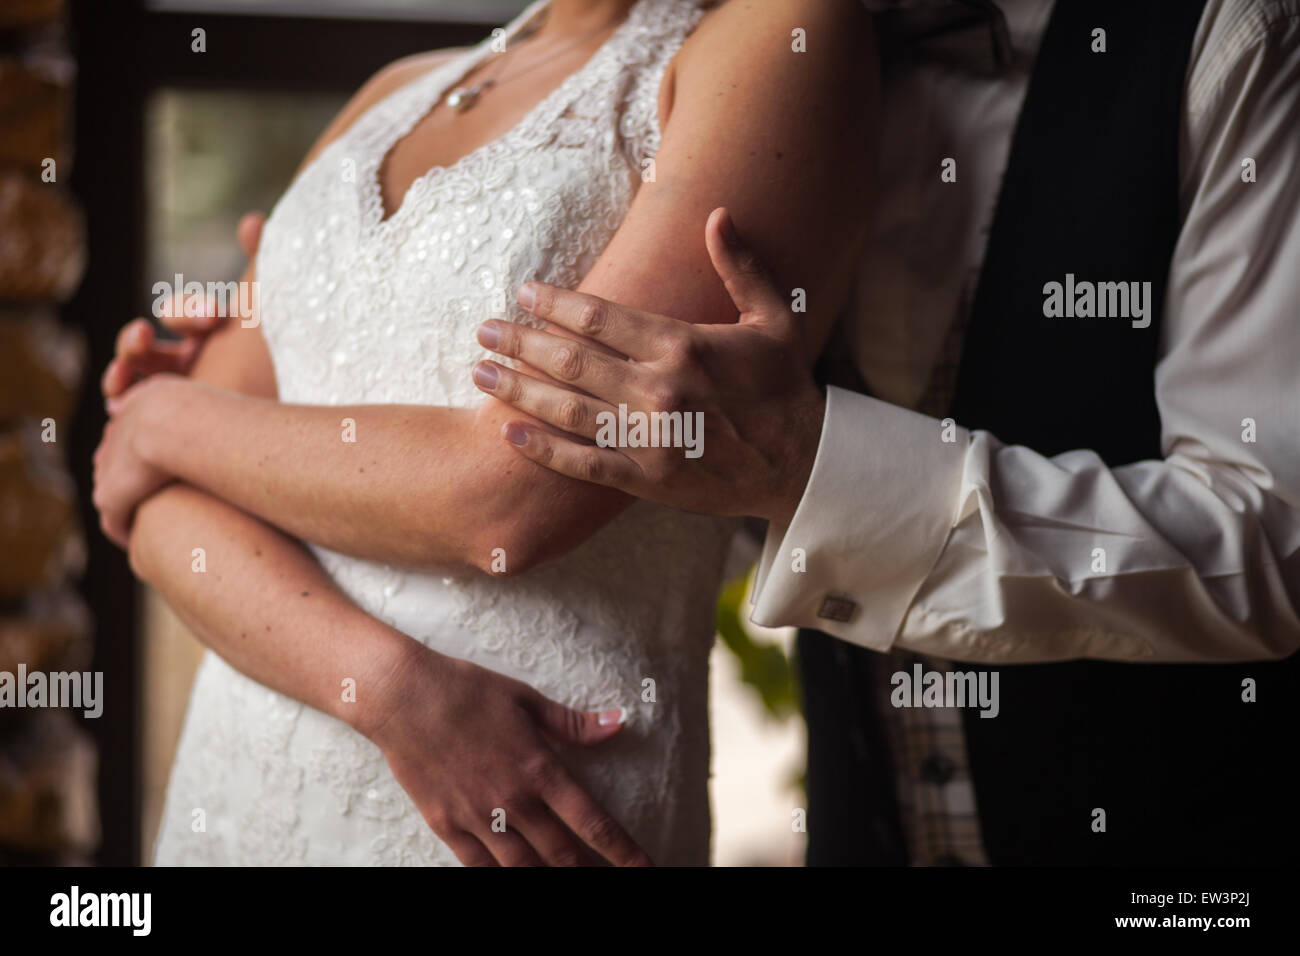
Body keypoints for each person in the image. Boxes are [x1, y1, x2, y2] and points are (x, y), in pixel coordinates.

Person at [470, 0, 1300, 865]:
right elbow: (626, 517)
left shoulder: (1235, 34)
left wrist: (813, 472)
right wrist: (397, 674)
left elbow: (1273, 536)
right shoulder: (720, 61)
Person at [94, 0, 876, 865]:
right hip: (246, 784)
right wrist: (388, 688)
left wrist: (165, 419)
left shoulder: (779, 36)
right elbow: (160, 508)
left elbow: (503, 500)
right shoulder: (392, 92)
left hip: (520, 801)